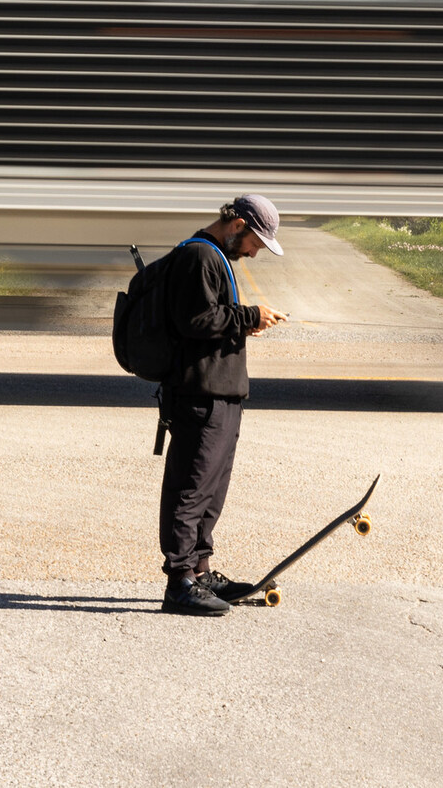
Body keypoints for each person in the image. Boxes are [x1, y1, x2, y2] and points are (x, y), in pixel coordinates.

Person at [156, 194, 290, 616]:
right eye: (255, 242)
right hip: (199, 396)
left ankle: (201, 569)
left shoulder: (218, 260)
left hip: (221, 394)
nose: (254, 252)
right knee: (190, 489)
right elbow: (193, 321)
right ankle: (179, 581)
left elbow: (209, 320)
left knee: (212, 490)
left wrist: (244, 322)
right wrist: (249, 316)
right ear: (237, 225)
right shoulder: (199, 256)